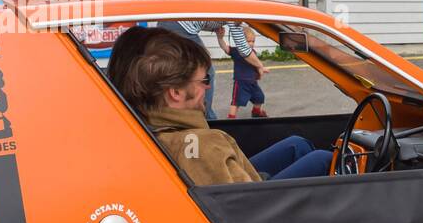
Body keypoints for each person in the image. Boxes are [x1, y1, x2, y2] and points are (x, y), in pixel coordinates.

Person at [111, 27, 331, 183]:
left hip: (246, 191)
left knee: (296, 144)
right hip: (258, 210)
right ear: (175, 93)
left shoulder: (147, 126)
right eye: (203, 81)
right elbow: (249, 210)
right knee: (323, 159)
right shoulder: (203, 147)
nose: (208, 88)